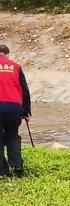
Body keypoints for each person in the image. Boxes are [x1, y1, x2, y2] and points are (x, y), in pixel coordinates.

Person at [0, 44, 31, 178]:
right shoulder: (16, 67)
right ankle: (17, 167)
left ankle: (2, 171)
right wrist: (26, 112)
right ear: (7, 54)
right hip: (14, 108)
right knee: (13, 136)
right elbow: (24, 90)